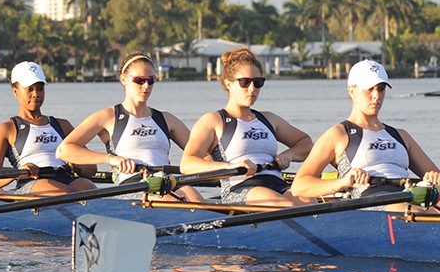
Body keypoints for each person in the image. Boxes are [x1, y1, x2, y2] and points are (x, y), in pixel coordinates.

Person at [290, 60, 440, 212]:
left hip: (407, 197)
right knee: (415, 211)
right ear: (352, 91)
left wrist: (434, 179)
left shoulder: (401, 135)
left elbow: (437, 178)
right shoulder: (338, 134)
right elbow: (299, 186)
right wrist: (342, 182)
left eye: (381, 89)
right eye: (370, 89)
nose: (376, 95)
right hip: (370, 202)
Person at [56, 51, 204, 202]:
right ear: (123, 79)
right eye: (139, 80)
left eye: (151, 80)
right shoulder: (108, 117)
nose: (146, 86)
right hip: (132, 186)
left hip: (165, 181)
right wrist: (110, 159)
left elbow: (201, 154)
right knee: (177, 203)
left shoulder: (166, 119)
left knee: (196, 198)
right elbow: (64, 150)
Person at [180, 48, 313, 207]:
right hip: (240, 187)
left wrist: (289, 155)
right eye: (245, 82)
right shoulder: (213, 121)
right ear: (228, 83)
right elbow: (187, 164)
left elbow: (306, 143)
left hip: (277, 182)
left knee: (311, 201)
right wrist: (231, 166)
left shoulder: (269, 119)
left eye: (258, 82)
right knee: (285, 206)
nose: (252, 89)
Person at [0, 61, 95, 195]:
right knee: (64, 194)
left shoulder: (63, 125)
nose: (36, 94)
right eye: (30, 89)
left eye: (40, 88)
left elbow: (91, 168)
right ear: (15, 92)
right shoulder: (6, 129)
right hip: (31, 181)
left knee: (89, 189)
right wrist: (17, 173)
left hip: (64, 176)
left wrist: (79, 167)